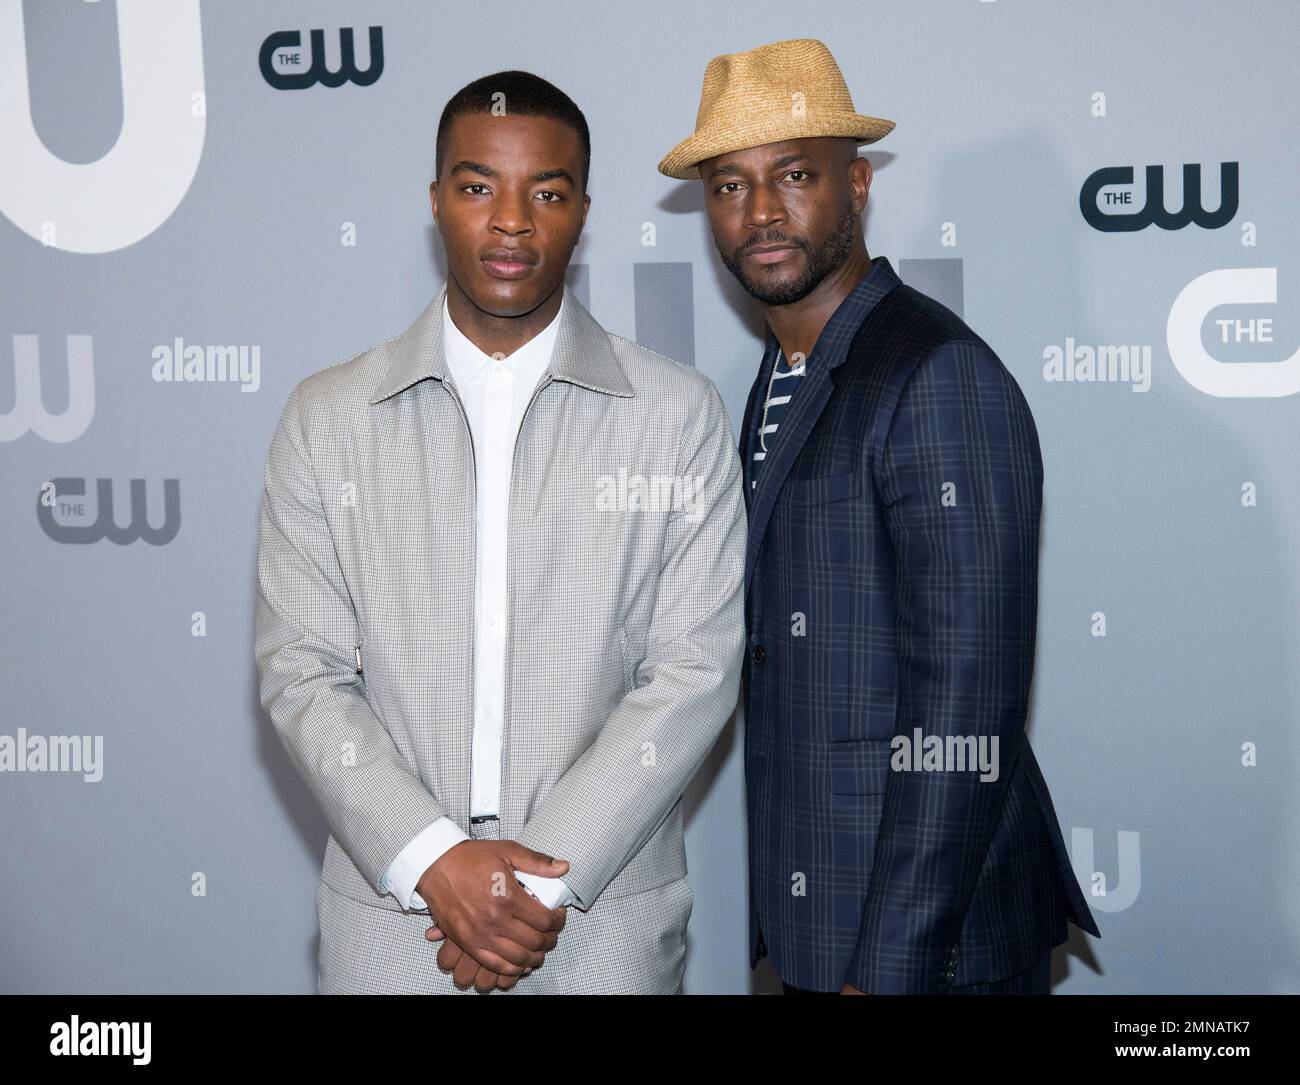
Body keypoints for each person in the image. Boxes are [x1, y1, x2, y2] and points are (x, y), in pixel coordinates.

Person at [256, 70, 746, 994]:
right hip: (389, 912)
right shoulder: (327, 418)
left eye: (547, 193)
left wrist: (528, 882)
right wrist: (435, 858)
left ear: (584, 211)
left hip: (601, 919)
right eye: (478, 187)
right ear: (436, 199)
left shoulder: (676, 416)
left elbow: (696, 670)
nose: (511, 221)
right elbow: (302, 668)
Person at [658, 37, 1101, 994]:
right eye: (729, 186)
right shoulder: (781, 373)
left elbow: (965, 710)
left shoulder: (937, 374)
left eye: (794, 175)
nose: (761, 211)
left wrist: (889, 969)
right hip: (823, 924)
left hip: (926, 949)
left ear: (857, 186)